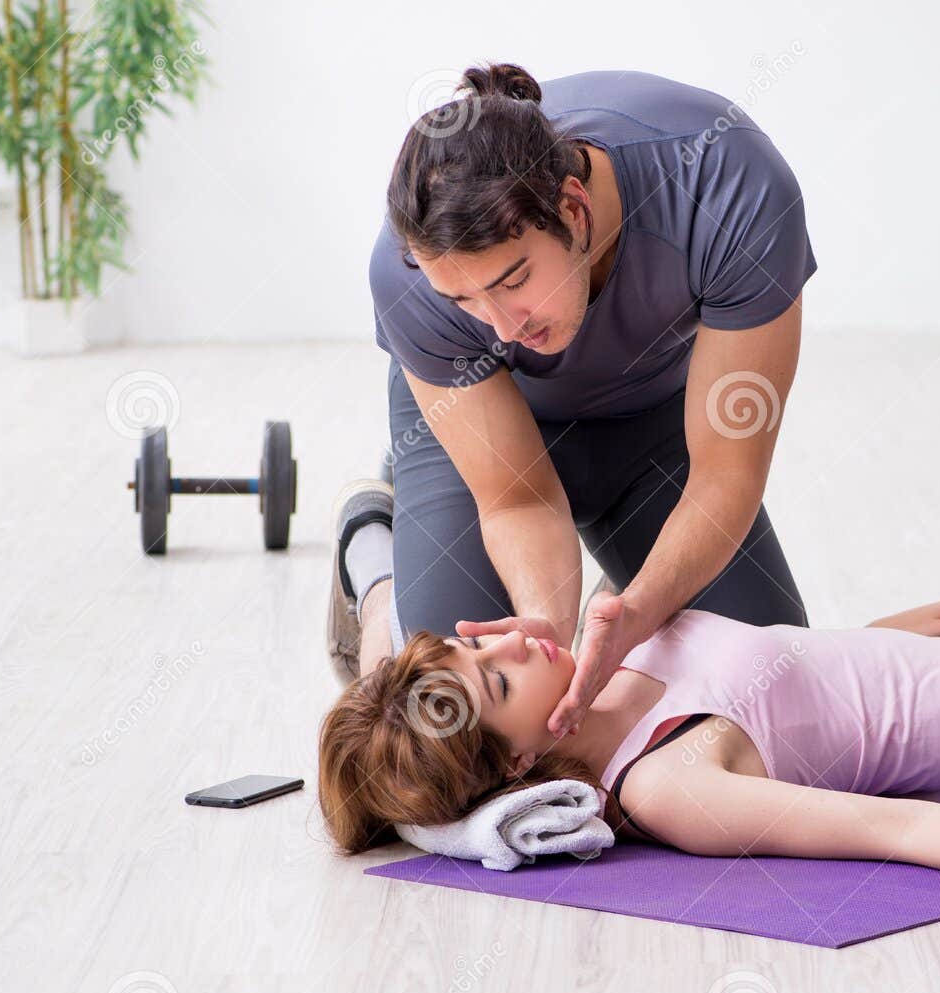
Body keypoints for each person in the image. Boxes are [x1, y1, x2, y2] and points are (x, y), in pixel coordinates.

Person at [332, 60, 820, 744]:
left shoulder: (730, 183)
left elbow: (726, 476)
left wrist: (639, 611)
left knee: (769, 696)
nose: (500, 330)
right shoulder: (408, 272)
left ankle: (625, 589)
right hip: (483, 441)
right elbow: (517, 500)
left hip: (649, 421)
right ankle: (378, 569)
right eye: (464, 302)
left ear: (573, 208)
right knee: (451, 730)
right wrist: (545, 630)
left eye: (513, 280)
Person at [318, 583, 940, 902]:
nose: (512, 641)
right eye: (497, 678)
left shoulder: (604, 641)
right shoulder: (675, 785)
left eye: (473, 649)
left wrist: (897, 631)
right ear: (514, 763)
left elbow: (786, 667)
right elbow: (897, 828)